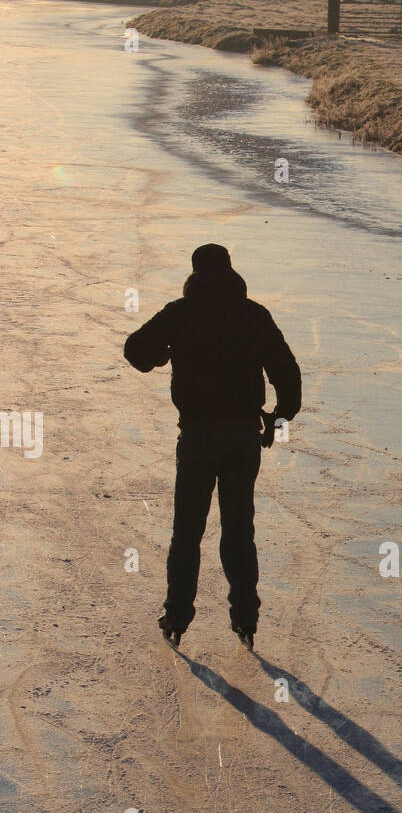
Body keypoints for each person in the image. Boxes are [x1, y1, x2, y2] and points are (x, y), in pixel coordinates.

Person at [123, 244, 301, 648]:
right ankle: (245, 620)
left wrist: (161, 355)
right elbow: (287, 373)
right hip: (241, 437)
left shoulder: (180, 313)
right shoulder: (253, 315)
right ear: (230, 270)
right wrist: (278, 417)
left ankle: (177, 617)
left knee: (186, 532)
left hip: (198, 438)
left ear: (195, 273)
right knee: (239, 531)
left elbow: (135, 350)